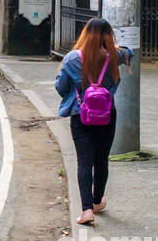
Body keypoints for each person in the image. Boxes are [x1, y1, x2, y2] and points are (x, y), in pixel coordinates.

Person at [55, 18, 134, 226]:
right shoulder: (115, 57)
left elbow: (61, 87)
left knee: (84, 161)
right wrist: (110, 46)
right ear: (109, 36)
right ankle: (98, 201)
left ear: (85, 34)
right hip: (107, 115)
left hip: (81, 116)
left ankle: (87, 209)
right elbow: (130, 51)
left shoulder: (72, 58)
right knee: (101, 159)